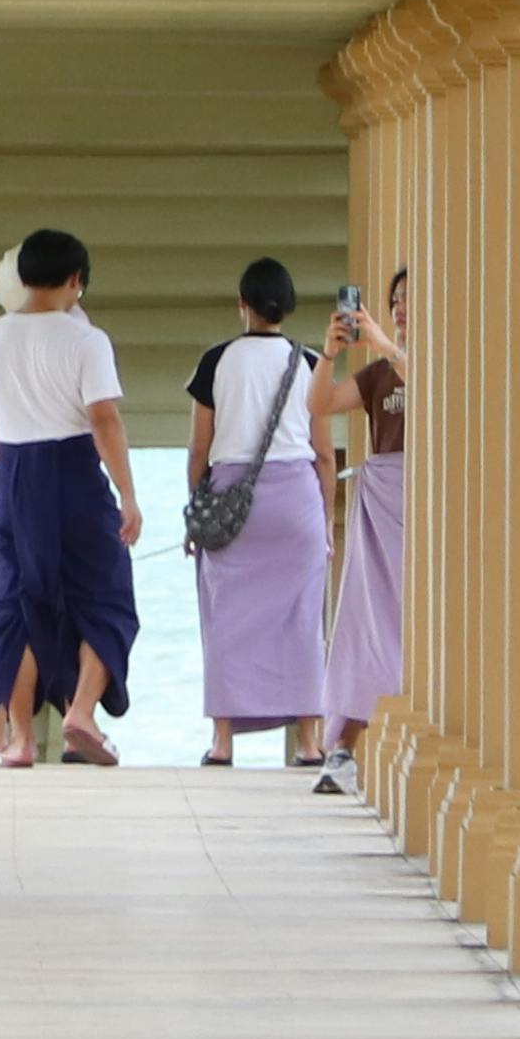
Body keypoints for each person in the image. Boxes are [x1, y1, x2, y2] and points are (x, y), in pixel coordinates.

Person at [0, 225, 140, 767]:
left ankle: (21, 740)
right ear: (76, 281)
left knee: (16, 605)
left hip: (11, 479)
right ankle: (80, 712)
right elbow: (105, 419)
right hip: (75, 470)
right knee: (106, 594)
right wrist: (127, 494)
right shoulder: (86, 340)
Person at [184, 256, 335, 769]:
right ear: (287, 308)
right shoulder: (312, 362)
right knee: (302, 621)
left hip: (233, 500)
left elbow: (199, 450)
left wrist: (197, 510)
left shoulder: (215, 362)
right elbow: (324, 453)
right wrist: (326, 521)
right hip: (295, 501)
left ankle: (223, 742)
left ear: (242, 305)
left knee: (226, 618)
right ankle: (309, 742)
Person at [316, 268, 412, 791]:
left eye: (409, 300)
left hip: (429, 510)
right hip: (383, 506)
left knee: (415, 625)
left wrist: (383, 343)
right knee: (364, 620)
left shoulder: (441, 363)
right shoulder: (377, 374)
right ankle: (343, 747)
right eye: (394, 301)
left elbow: (438, 390)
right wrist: (329, 355)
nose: (398, 309)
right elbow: (321, 405)